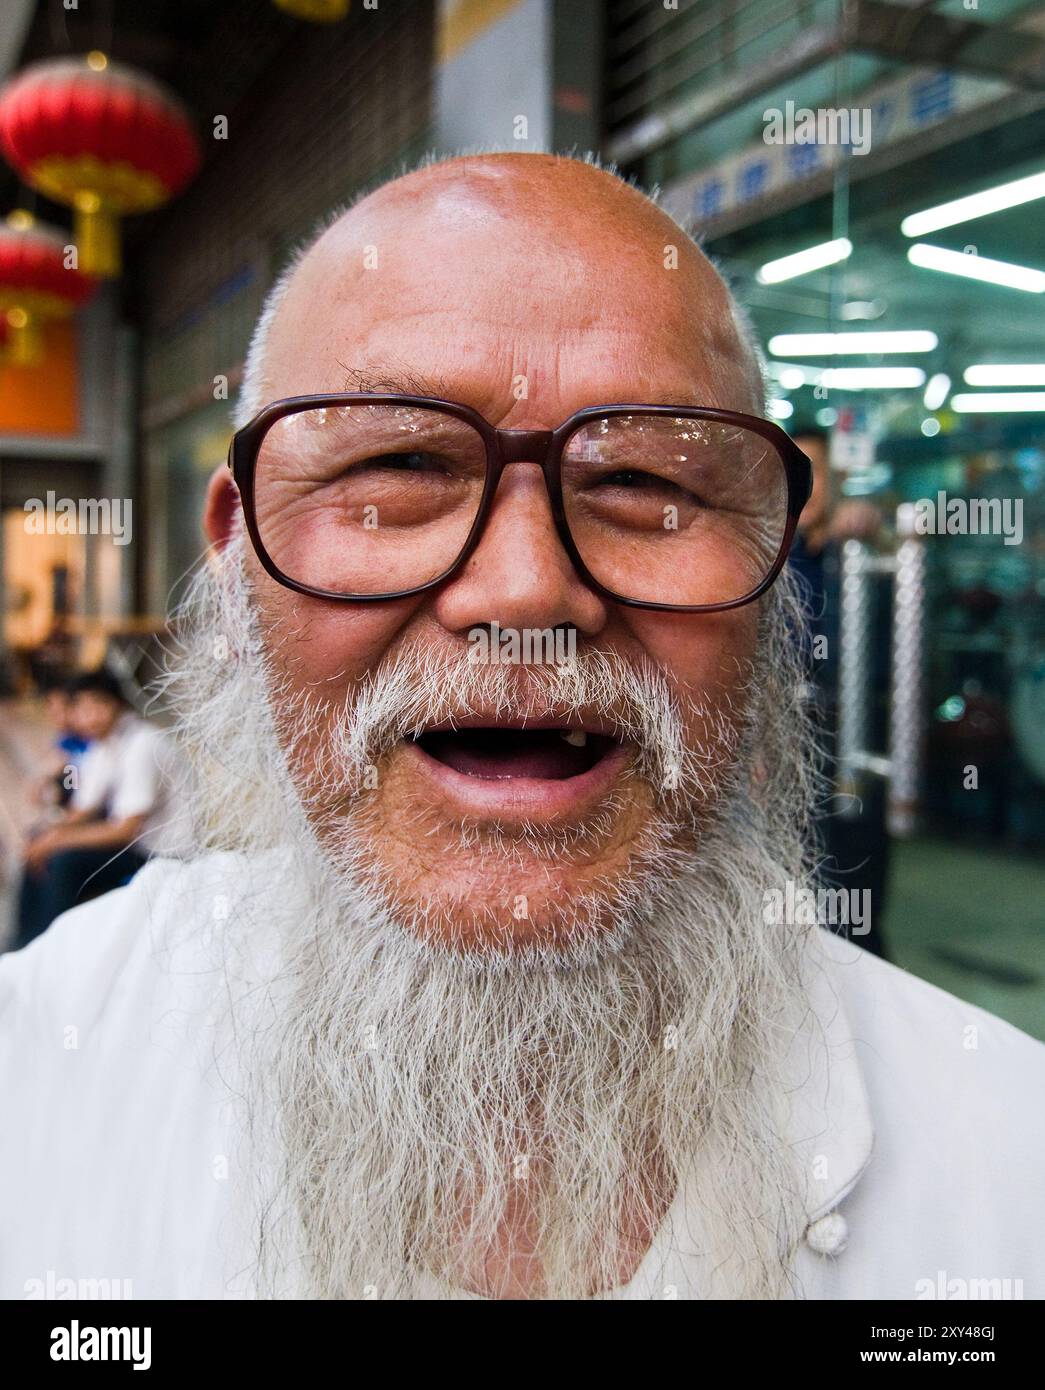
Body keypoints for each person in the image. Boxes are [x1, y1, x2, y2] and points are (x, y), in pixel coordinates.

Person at [0, 153, 1042, 1301]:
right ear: (238, 562)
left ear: (770, 564)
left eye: (648, 483)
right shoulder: (38, 1072)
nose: (527, 592)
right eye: (399, 464)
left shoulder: (1003, 1168)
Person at [788, 428, 892, 958]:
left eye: (815, 473)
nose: (801, 489)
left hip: (847, 741)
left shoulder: (857, 557)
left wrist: (871, 531)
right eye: (791, 474)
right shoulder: (767, 556)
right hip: (778, 750)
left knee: (854, 897)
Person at [12, 668, 176, 949]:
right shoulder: (104, 744)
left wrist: (57, 840)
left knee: (63, 861)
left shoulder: (141, 744)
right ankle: (22, 944)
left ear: (117, 703)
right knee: (38, 843)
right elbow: (84, 806)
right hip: (130, 841)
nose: (89, 718)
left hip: (157, 851)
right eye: (82, 709)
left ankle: (49, 948)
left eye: (97, 706)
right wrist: (45, 836)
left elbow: (125, 830)